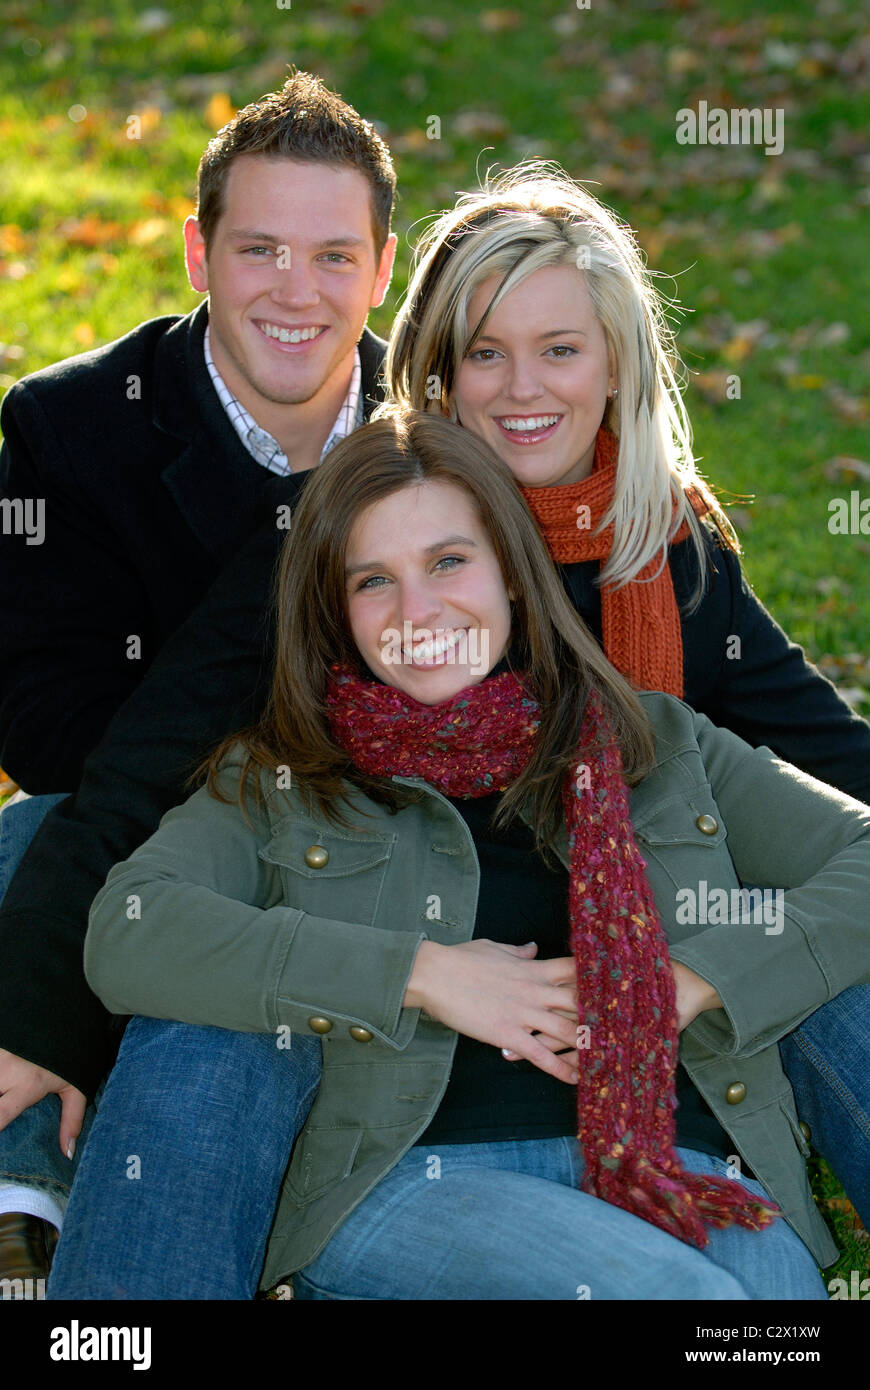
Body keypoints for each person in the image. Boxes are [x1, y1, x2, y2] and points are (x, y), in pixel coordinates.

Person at [7, 162, 869, 1297]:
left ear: (617, 363)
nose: (524, 389)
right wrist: (37, 1027)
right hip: (405, 1108)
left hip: (649, 1071)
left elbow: (834, 773)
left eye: (560, 348)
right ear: (438, 375)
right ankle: (42, 1209)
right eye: (485, 352)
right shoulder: (326, 575)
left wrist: (693, 974)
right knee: (65, 861)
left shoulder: (663, 574)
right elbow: (131, 805)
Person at [0, 69, 396, 1289]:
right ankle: (24, 1202)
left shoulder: (439, 426)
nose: (297, 291)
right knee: (34, 840)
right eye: (260, 248)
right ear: (196, 253)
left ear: (384, 269)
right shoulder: (71, 426)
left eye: (335, 256)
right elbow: (47, 724)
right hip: (131, 812)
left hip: (368, 841)